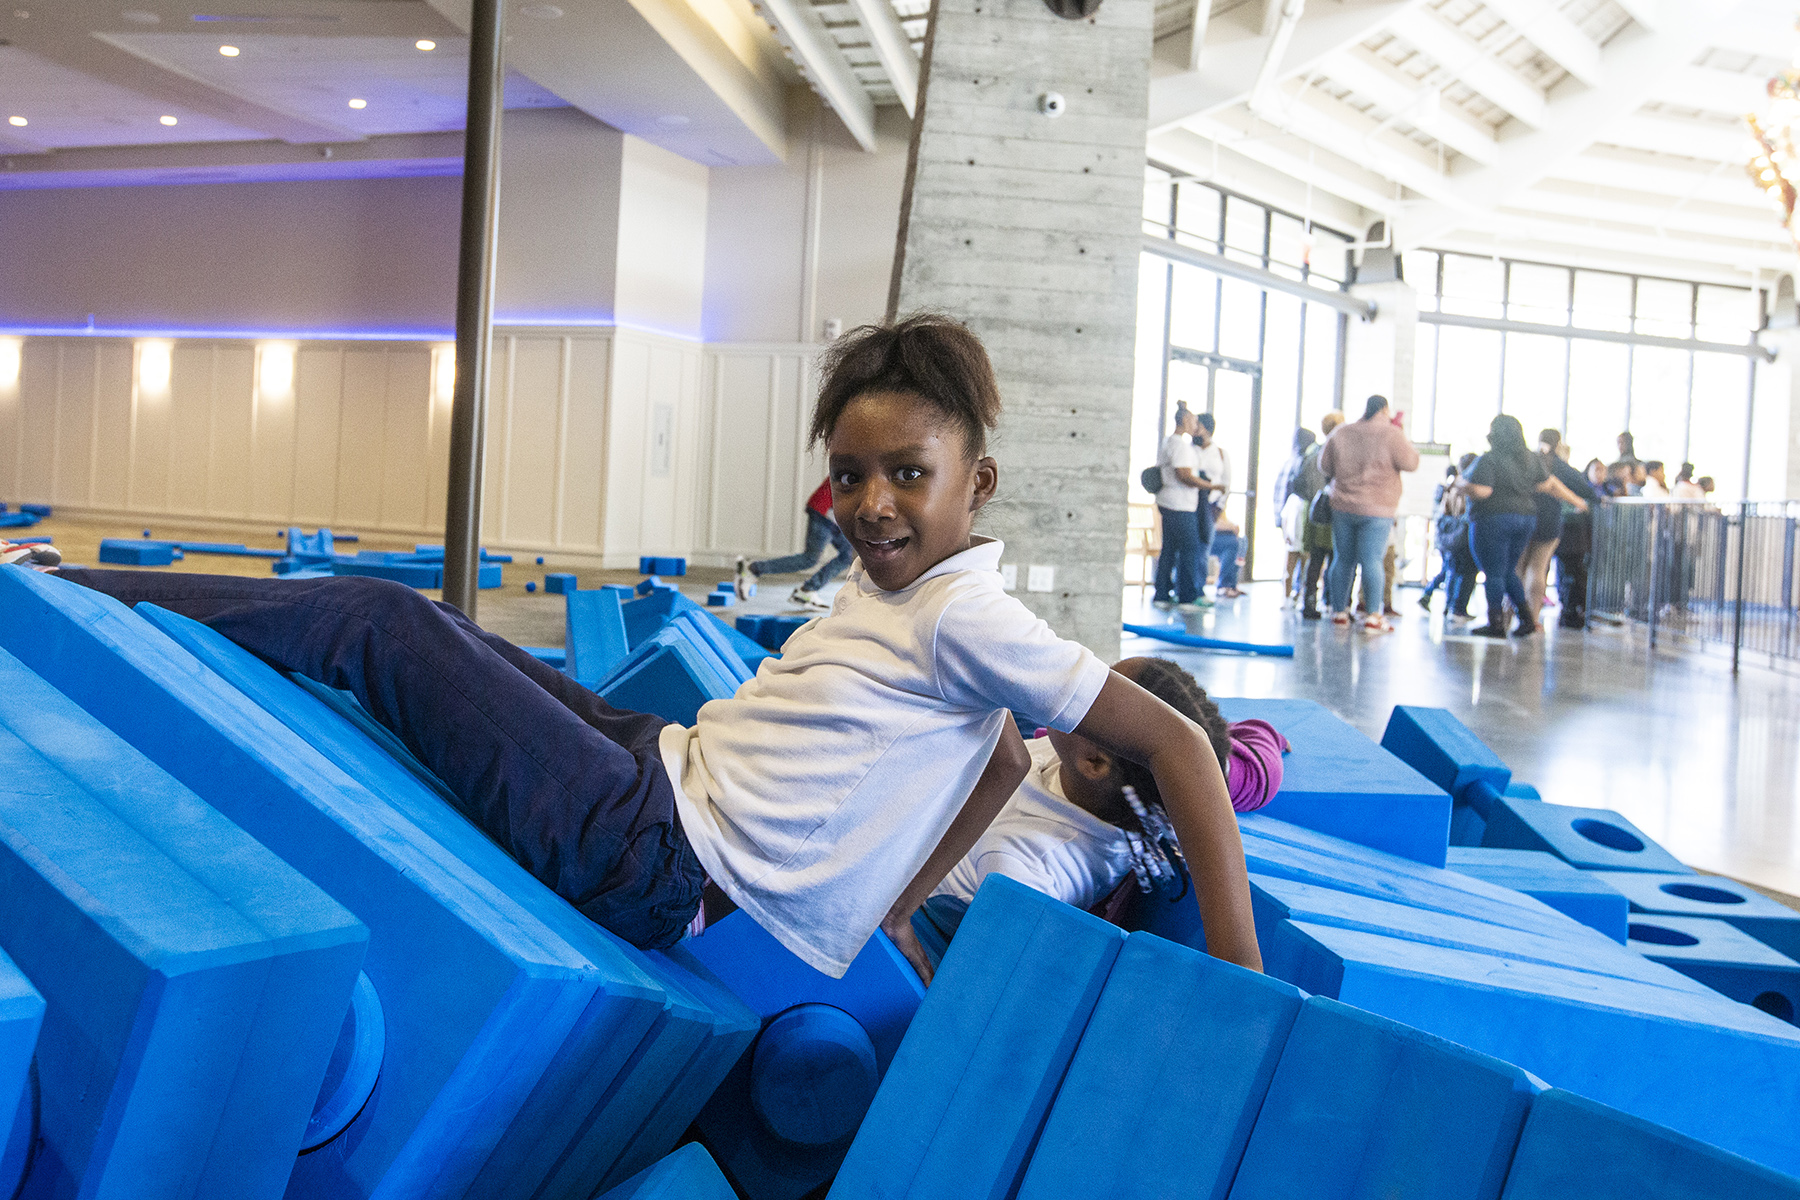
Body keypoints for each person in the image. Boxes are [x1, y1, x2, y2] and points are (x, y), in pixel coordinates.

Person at [41, 314, 1264, 984]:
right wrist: (889, 909)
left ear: (974, 483)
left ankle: (60, 594)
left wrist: (1239, 980)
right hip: (662, 765)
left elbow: (1182, 756)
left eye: (909, 475)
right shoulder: (920, 599)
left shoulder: (966, 612)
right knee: (442, 637)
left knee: (374, 619)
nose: (874, 504)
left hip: (653, 849)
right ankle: (75, 592)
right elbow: (1001, 757)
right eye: (850, 475)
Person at [927, 658, 1288, 924]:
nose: (1080, 674)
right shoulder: (1102, 762)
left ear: (1095, 761)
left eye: (1095, 690)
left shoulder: (1026, 864)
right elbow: (1258, 770)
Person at [1453, 415, 1589, 638]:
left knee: (1494, 572)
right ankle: (1527, 619)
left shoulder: (1489, 460)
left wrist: (1461, 484)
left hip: (1492, 520)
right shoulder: (1530, 459)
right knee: (1508, 571)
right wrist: (1578, 501)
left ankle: (1496, 623)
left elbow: (1483, 491)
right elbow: (1549, 485)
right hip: (1526, 520)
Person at [1319, 395, 1420, 632]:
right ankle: (1374, 614)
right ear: (1385, 409)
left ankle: (1339, 612)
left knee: (1342, 559)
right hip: (1378, 508)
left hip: (1342, 505)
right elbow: (1412, 462)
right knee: (1372, 560)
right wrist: (1400, 432)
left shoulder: (1342, 432)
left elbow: (1323, 466)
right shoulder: (1392, 434)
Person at [734, 479, 855, 610]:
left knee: (846, 556)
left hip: (832, 514)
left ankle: (807, 591)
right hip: (825, 511)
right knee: (810, 558)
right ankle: (752, 569)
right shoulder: (859, 462)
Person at [1523, 429, 1599, 627]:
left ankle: (1512, 613)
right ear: (1558, 444)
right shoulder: (1558, 465)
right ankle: (1532, 618)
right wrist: (1582, 502)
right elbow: (1584, 489)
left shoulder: (1528, 460)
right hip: (1549, 519)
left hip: (1524, 515)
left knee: (1519, 567)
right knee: (1538, 567)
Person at [1152, 404, 1212, 613]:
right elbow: (1184, 475)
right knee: (1189, 551)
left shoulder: (1168, 442)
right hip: (1181, 506)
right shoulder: (1180, 446)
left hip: (1167, 503)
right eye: (1194, 421)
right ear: (1185, 422)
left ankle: (1161, 594)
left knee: (1168, 549)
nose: (1196, 426)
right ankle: (1186, 597)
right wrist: (1210, 485)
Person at [1296, 411, 1343, 620]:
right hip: (1332, 515)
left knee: (1315, 560)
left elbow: (1300, 485)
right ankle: (1334, 602)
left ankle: (1310, 601)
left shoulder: (1312, 453)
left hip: (1314, 513)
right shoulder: (1335, 453)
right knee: (1334, 559)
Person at [1272, 428, 1317, 605]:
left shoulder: (1293, 462)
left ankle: (1292, 595)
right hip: (1297, 520)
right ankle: (1294, 595)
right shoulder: (1300, 464)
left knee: (1294, 558)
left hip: (1291, 519)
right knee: (1300, 558)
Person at [1193, 412, 1231, 596]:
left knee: (1203, 548)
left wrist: (1220, 506)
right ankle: (1184, 587)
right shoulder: (1191, 450)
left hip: (1211, 505)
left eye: (1197, 426)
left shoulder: (1220, 454)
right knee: (1189, 547)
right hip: (1191, 504)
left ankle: (1199, 589)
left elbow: (1226, 482)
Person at [1211, 511, 1245, 599]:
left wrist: (1233, 527)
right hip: (1204, 533)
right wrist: (1231, 527)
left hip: (1215, 533)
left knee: (1242, 541)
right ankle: (1225, 585)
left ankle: (1232, 584)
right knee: (1232, 543)